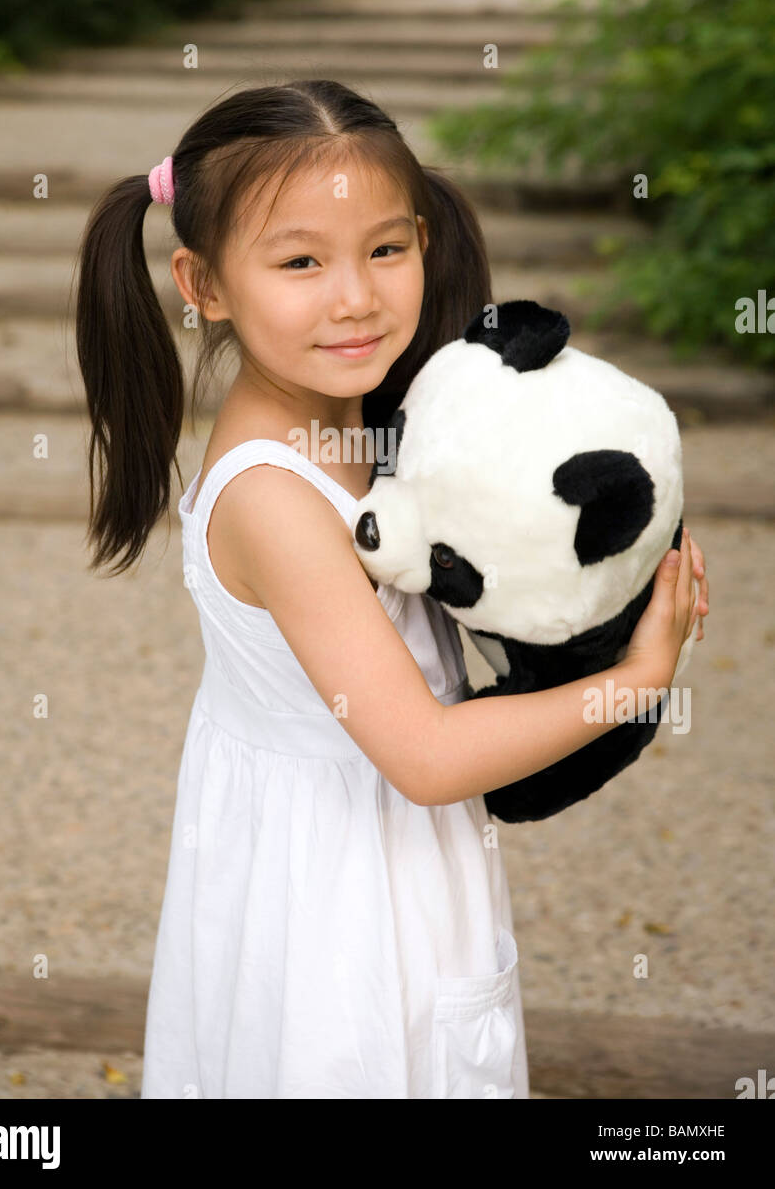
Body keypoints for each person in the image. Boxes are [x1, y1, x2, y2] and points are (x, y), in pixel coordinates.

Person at [74, 79, 709, 1099]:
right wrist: (633, 679)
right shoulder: (275, 500)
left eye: (383, 248)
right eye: (298, 262)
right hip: (339, 893)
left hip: (363, 849)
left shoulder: (382, 422)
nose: (355, 297)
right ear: (203, 283)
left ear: (423, 237)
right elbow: (420, 755)